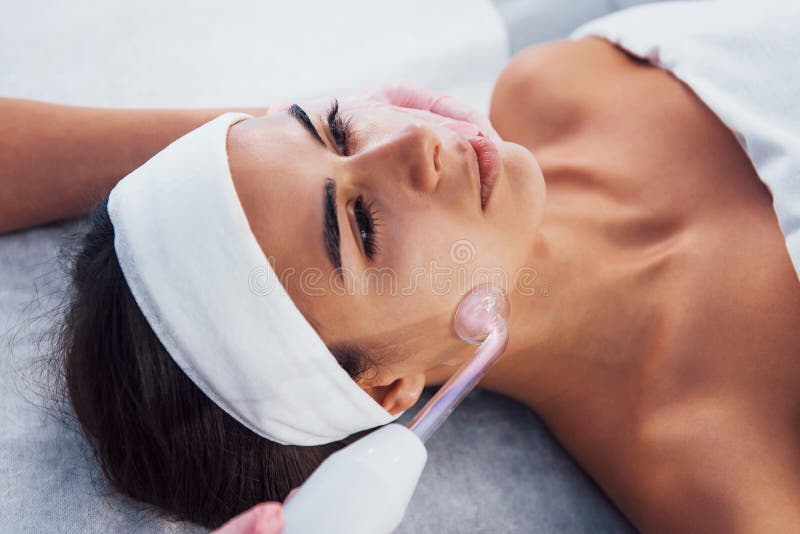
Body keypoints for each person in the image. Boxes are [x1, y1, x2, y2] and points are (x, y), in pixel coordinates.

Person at [2, 5, 799, 531]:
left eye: (337, 126)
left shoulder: (565, 85)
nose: (411, 143)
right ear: (384, 389)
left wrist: (188, 194)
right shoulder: (723, 472)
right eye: (362, 226)